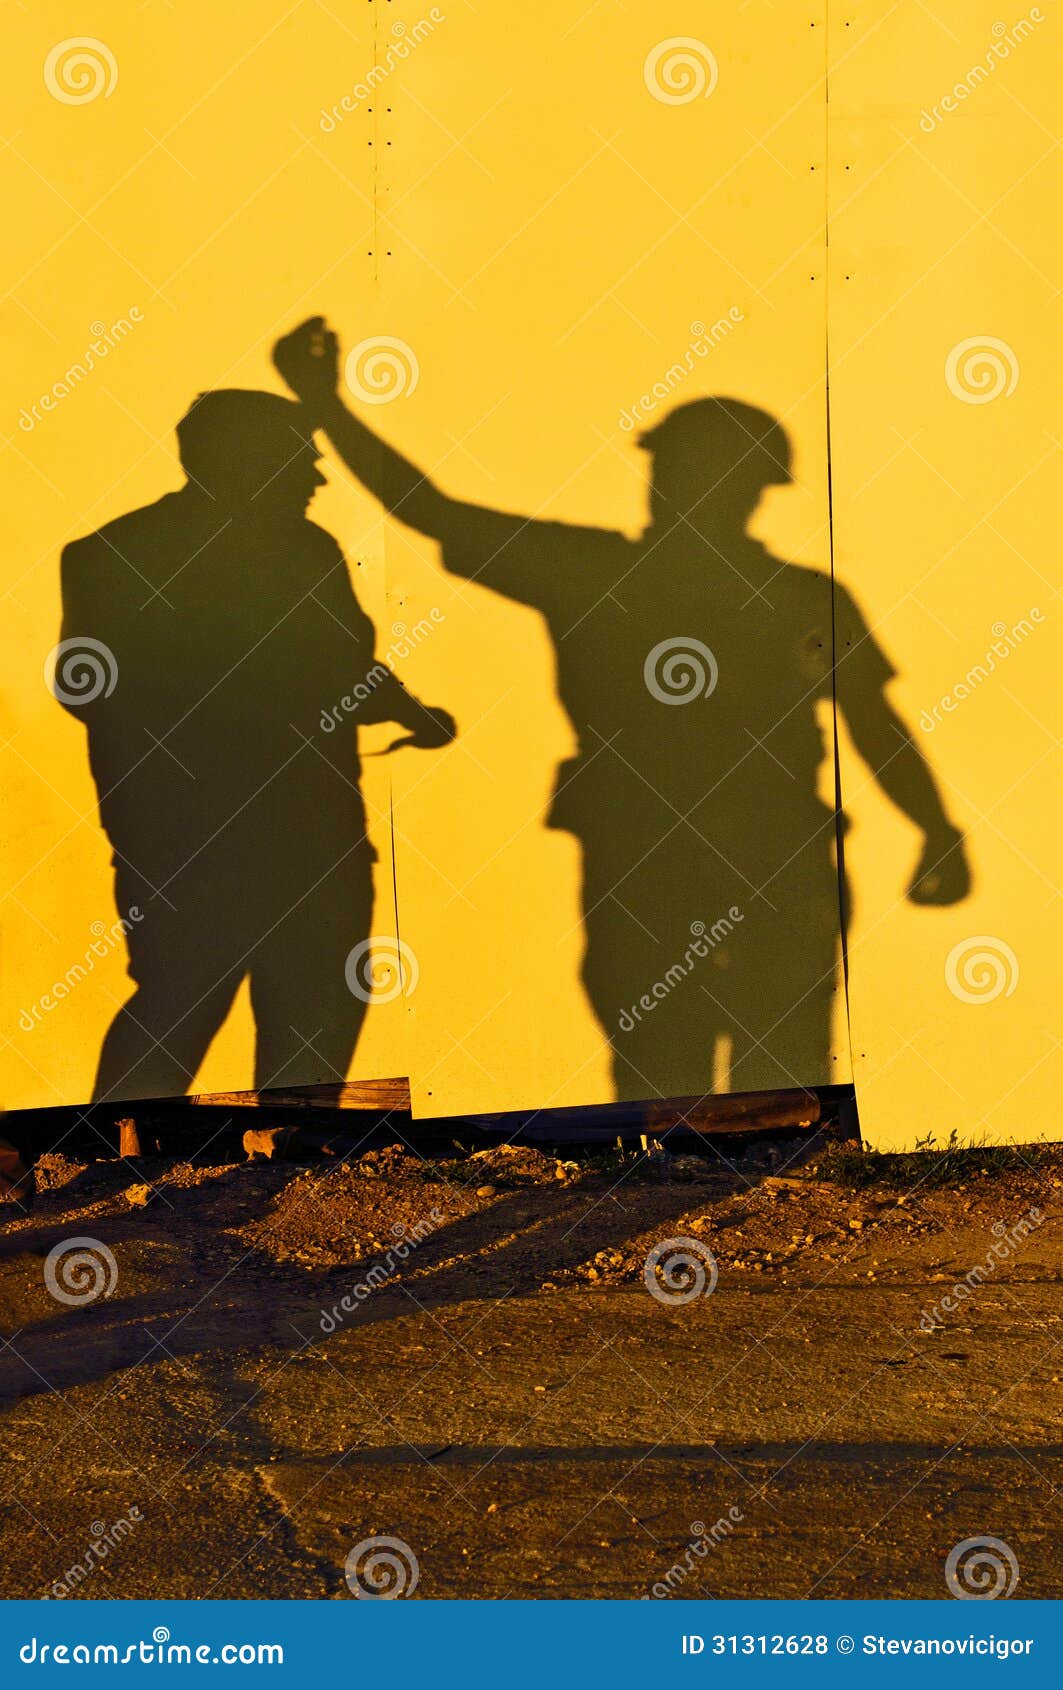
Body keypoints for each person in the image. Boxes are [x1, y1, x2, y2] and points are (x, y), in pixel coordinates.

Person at [274, 318, 971, 1099]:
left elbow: (433, 512)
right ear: (756, 489)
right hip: (763, 849)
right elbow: (871, 725)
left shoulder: (594, 573)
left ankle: (677, 1199)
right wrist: (935, 829)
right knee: (771, 1075)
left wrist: (324, 405)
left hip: (659, 847)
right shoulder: (796, 596)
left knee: (673, 1069)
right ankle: (727, 1198)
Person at [57, 388, 455, 1102]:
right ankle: (283, 1144)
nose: (317, 476)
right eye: (299, 457)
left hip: (199, 834)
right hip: (262, 829)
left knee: (190, 998)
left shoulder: (109, 555)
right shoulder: (299, 552)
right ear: (247, 462)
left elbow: (84, 688)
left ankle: (117, 1158)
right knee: (288, 1001)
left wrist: (405, 709)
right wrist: (405, 713)